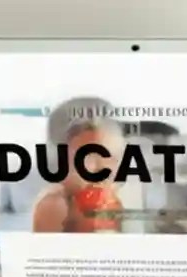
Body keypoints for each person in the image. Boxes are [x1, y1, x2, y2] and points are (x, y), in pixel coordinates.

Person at [31, 97, 126, 233]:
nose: (102, 168)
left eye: (110, 157)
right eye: (88, 158)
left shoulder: (114, 203)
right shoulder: (54, 204)